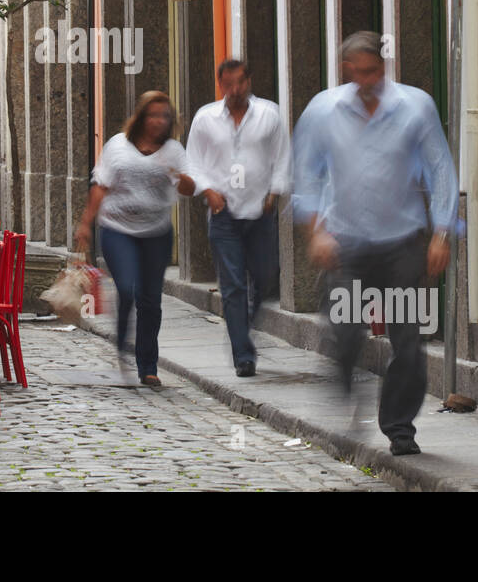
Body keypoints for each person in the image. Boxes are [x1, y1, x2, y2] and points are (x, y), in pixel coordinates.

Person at [292, 30, 457, 456]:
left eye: (374, 72)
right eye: (358, 73)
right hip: (346, 245)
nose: (367, 81)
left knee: (408, 342)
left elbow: (440, 170)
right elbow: (306, 174)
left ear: (382, 67)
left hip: (403, 244)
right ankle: (346, 379)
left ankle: (399, 426)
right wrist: (316, 233)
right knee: (346, 332)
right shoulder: (323, 110)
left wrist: (441, 233)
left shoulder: (415, 106)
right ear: (347, 71)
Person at [74, 91, 195, 387]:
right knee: (127, 289)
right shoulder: (118, 145)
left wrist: (181, 176)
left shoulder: (174, 150)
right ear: (141, 117)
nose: (158, 121)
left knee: (151, 301)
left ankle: (148, 366)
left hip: (156, 234)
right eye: (153, 115)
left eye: (164, 116)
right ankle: (121, 340)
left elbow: (189, 189)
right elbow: (100, 186)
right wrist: (86, 225)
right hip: (117, 230)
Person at [185, 59, 291, 377]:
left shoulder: (269, 114)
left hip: (260, 211)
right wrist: (208, 192)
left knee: (264, 277)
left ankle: (241, 324)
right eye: (228, 84)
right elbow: (193, 163)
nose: (235, 90)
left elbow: (283, 155)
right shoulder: (205, 119)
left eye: (240, 82)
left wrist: (274, 192)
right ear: (220, 84)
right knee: (232, 286)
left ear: (249, 81)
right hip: (224, 214)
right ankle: (243, 353)